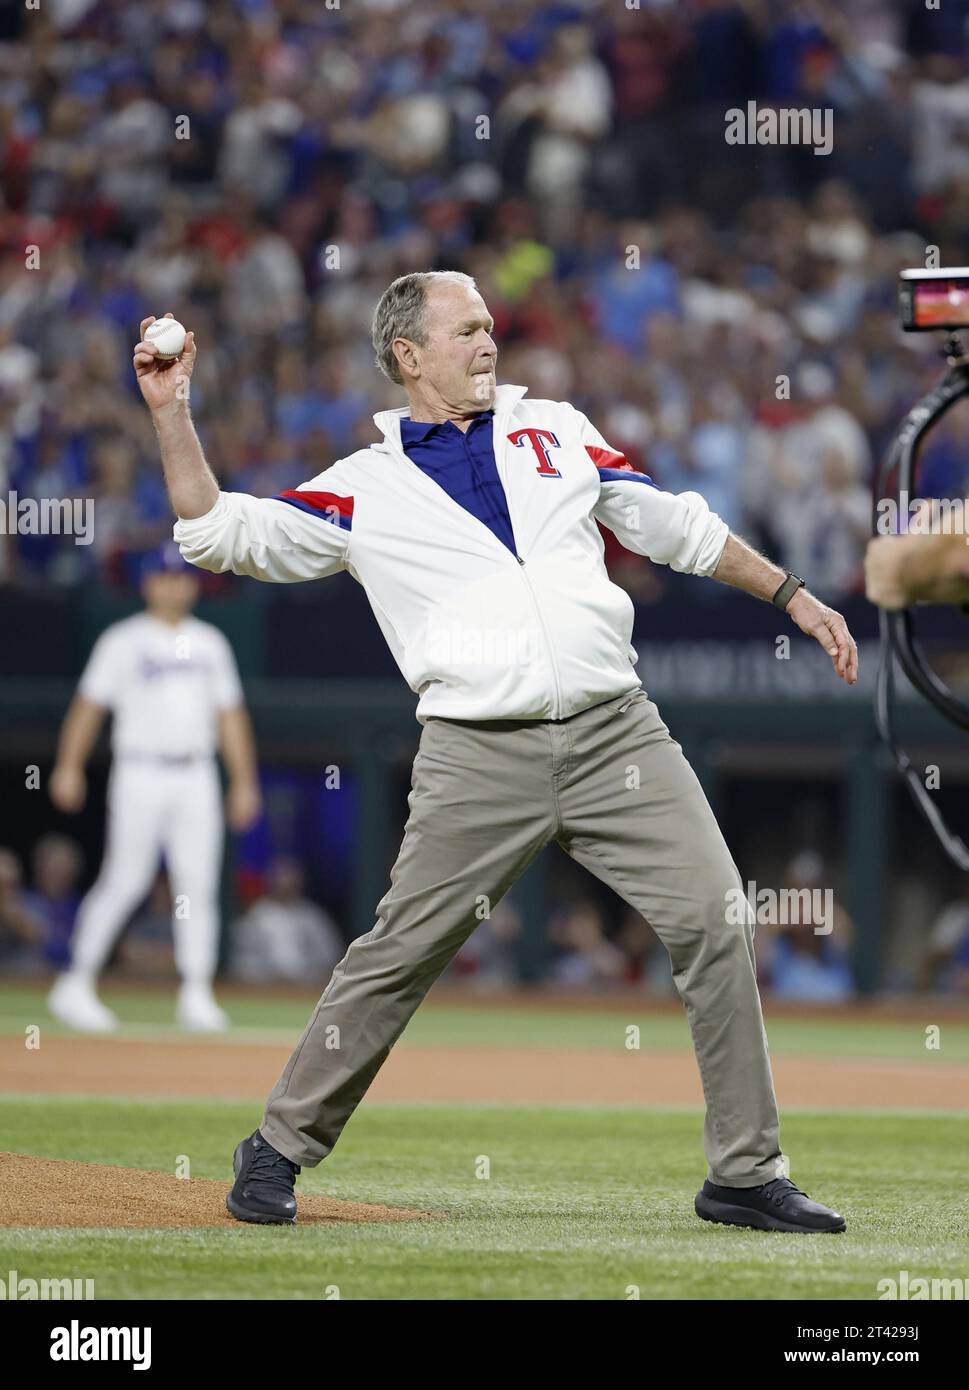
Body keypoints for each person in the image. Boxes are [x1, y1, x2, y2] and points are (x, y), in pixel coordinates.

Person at [136, 275, 858, 1234]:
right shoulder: (362, 485)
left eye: (489, 326)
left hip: (617, 736)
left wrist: (792, 595)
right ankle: (276, 1146)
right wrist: (172, 408)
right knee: (399, 953)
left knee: (717, 919)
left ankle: (744, 1171)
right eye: (466, 329)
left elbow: (671, 524)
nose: (489, 342)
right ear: (408, 355)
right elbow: (212, 532)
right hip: (477, 752)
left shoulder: (554, 428)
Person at [46, 543, 262, 1033]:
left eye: (182, 577)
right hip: (139, 770)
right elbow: (88, 708)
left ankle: (196, 993)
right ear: (148, 583)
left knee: (198, 884)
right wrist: (67, 766)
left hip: (195, 773)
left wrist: (244, 781)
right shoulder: (123, 640)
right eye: (165, 577)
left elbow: (230, 717)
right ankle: (75, 982)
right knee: (124, 879)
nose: (174, 584)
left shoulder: (210, 643)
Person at [229, 856, 345, 984]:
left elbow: (331, 959)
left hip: (305, 987)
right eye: (280, 879)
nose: (285, 884)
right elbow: (242, 964)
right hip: (263, 989)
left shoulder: (313, 916)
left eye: (290, 879)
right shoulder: (256, 916)